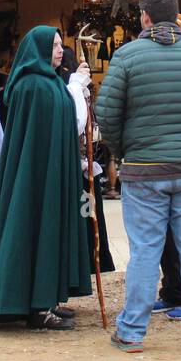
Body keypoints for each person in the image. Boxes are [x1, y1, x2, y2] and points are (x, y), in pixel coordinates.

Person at [95, 0, 181, 353]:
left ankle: (132, 332)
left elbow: (106, 114)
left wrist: (125, 151)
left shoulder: (127, 56)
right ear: (176, 15)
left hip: (144, 171)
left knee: (145, 251)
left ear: (145, 17)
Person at [0, 26, 91, 331]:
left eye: (58, 45)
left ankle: (47, 299)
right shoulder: (34, 86)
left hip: (51, 172)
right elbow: (41, 135)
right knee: (36, 228)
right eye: (52, 46)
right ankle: (36, 307)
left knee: (48, 230)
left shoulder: (49, 83)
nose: (58, 51)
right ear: (37, 50)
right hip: (37, 177)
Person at [67, 57, 114, 274]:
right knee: (84, 213)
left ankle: (94, 258)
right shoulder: (70, 93)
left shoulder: (84, 97)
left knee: (90, 212)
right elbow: (76, 125)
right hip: (77, 169)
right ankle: (85, 259)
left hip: (88, 169)